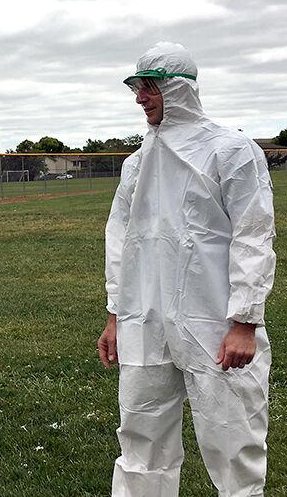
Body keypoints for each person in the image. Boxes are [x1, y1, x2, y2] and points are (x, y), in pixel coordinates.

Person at [98, 43, 276, 496]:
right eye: (137, 89)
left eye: (150, 87)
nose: (141, 98)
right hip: (145, 321)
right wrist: (116, 316)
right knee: (141, 433)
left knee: (233, 433)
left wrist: (244, 320)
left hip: (213, 320)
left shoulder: (231, 151)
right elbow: (121, 242)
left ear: (178, 88)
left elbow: (253, 236)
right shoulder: (136, 165)